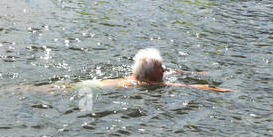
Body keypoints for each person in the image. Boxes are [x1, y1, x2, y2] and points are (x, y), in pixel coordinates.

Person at [90, 48, 230, 92]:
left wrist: (195, 73)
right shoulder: (146, 83)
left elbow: (172, 71)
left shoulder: (141, 75)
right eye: (159, 67)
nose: (164, 69)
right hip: (96, 87)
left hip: (96, 82)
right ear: (149, 72)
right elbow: (184, 85)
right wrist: (216, 89)